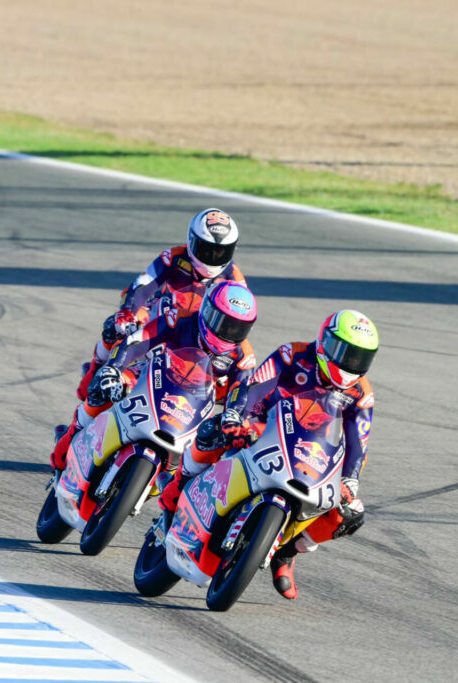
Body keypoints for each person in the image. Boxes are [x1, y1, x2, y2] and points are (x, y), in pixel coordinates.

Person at [162, 310, 376, 600]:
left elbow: (358, 443)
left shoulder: (361, 394)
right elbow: (253, 386)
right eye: (346, 353)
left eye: (359, 358)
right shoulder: (293, 354)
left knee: (349, 514)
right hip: (264, 426)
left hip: (313, 454)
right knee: (214, 430)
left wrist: (350, 483)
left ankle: (285, 553)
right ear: (326, 341)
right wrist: (237, 417)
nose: (351, 364)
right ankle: (178, 485)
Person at [50, 281, 257, 471]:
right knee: (102, 389)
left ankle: (173, 497)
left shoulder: (243, 357)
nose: (228, 332)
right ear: (207, 310)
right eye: (223, 322)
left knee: (212, 440)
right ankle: (72, 436)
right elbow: (136, 341)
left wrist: (232, 420)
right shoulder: (180, 319)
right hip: (152, 374)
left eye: (237, 328)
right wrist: (113, 368)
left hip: (196, 401)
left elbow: (240, 397)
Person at [75, 208, 246, 401]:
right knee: (115, 326)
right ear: (192, 240)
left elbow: (237, 322)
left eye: (221, 252)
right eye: (207, 250)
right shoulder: (173, 257)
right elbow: (141, 286)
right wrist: (127, 313)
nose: (213, 258)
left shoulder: (235, 280)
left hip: (196, 334)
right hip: (158, 312)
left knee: (225, 383)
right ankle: (95, 374)